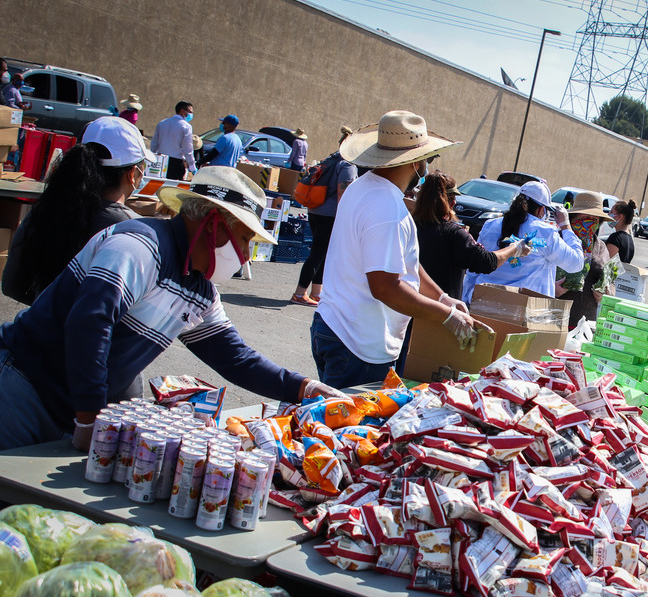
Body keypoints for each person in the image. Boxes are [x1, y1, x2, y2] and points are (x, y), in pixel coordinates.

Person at [0, 166, 344, 450]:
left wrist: (302, 387)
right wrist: (89, 417)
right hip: (25, 388)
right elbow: (89, 324)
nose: (245, 255)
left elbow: (234, 357)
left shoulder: (199, 289)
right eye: (243, 238)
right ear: (212, 222)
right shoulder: (139, 245)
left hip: (75, 408)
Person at [314, 110, 482, 388]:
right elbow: (385, 287)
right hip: (359, 344)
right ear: (415, 162)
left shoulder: (363, 188)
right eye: (427, 159)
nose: (427, 167)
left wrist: (442, 298)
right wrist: (446, 316)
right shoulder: (388, 209)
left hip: (337, 328)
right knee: (352, 427)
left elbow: (405, 262)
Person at [3, 116, 151, 307]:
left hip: (35, 331)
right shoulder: (135, 229)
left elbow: (11, 285)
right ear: (132, 174)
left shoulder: (46, 209)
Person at [463, 180, 584, 302]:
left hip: (483, 303)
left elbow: (474, 269)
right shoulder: (545, 232)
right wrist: (566, 226)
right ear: (541, 210)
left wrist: (466, 298)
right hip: (522, 310)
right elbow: (576, 263)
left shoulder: (490, 225)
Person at [414, 170, 523, 300]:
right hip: (439, 312)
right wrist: (515, 248)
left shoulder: (409, 225)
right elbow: (487, 262)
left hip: (407, 309)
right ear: (452, 202)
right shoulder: (454, 234)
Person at [292, 125, 357, 307]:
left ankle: (316, 292)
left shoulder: (332, 159)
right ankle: (299, 293)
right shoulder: (348, 165)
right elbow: (343, 195)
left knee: (323, 254)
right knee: (318, 254)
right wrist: (347, 219)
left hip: (315, 211)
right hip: (330, 216)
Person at [558, 191, 616, 327]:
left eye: (595, 219)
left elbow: (611, 282)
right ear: (574, 217)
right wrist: (551, 289)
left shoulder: (601, 247)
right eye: (586, 217)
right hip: (554, 316)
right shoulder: (558, 239)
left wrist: (606, 294)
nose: (590, 222)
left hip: (585, 323)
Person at [150, 101, 197, 179]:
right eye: (190, 112)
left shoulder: (162, 123)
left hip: (161, 161)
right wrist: (192, 167)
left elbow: (154, 143)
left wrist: (153, 157)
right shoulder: (186, 126)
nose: (191, 115)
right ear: (182, 111)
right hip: (176, 163)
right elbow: (187, 149)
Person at [605, 199, 636, 264]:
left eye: (611, 212)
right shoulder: (630, 239)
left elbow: (607, 263)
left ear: (620, 216)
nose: (608, 214)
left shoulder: (615, 238)